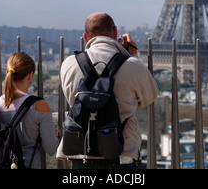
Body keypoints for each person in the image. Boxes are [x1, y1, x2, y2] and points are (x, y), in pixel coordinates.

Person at [57, 12, 158, 169]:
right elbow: (149, 98)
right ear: (116, 32)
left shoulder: (68, 64)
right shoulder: (133, 65)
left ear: (85, 37)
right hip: (122, 152)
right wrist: (133, 56)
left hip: (81, 151)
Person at [0, 52, 59, 169]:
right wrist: (55, 135)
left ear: (7, 73)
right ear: (30, 76)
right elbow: (51, 149)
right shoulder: (39, 106)